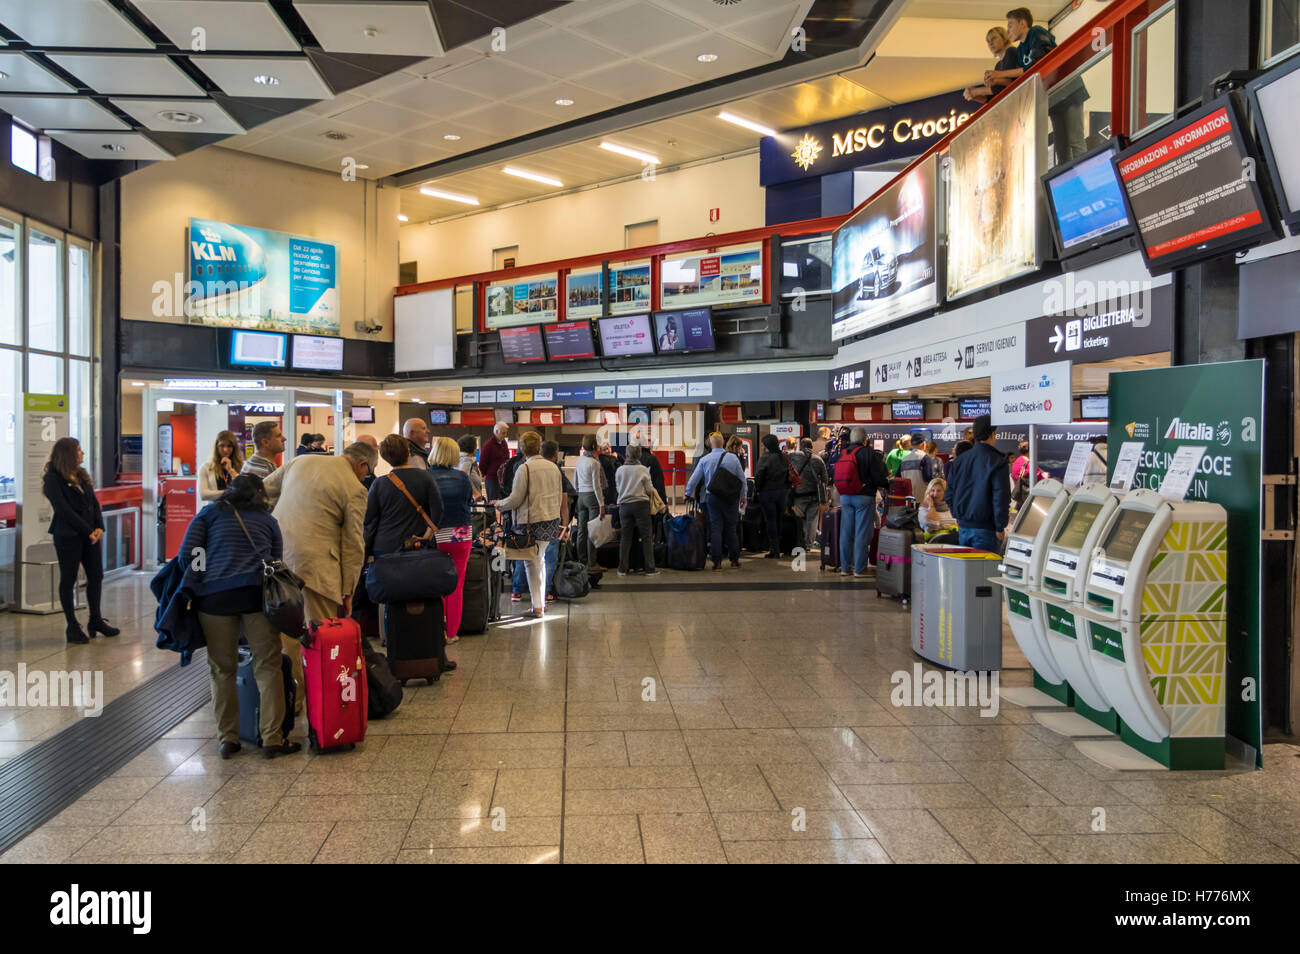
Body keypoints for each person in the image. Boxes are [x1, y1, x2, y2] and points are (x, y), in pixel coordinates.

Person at [179, 474, 299, 759]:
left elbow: (189, 553)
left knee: (222, 669)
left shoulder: (209, 515)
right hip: (256, 598)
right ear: (259, 494)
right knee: (267, 666)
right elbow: (275, 562)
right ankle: (272, 739)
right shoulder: (268, 521)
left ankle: (228, 739)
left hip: (214, 600)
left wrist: (203, 576)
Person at [263, 441, 375, 710]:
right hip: (317, 570)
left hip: (276, 560)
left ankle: (289, 704)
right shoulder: (355, 489)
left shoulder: (301, 461)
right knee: (321, 638)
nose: (366, 477)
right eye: (368, 472)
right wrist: (348, 591)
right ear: (362, 465)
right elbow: (353, 544)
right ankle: (321, 705)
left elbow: (262, 490)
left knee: (286, 638)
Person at [42, 437, 118, 644]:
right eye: (78, 450)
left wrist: (99, 527)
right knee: (68, 579)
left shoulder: (82, 475)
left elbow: (93, 503)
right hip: (68, 536)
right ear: (67, 453)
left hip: (89, 536)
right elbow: (64, 510)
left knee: (96, 576)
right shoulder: (52, 479)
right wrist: (88, 531)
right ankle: (72, 626)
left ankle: (95, 620)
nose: (82, 453)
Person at [493, 431, 566, 619]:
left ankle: (538, 607)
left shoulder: (524, 469)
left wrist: (499, 504)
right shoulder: (553, 467)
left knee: (531, 564)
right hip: (550, 521)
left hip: (530, 524)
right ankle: (539, 603)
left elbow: (515, 499)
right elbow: (559, 495)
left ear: (522, 448)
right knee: (539, 560)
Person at [945, 414, 1010, 553]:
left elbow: (949, 494)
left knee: (966, 573)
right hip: (987, 530)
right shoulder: (997, 461)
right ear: (993, 434)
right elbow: (1000, 497)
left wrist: (958, 515)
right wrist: (1000, 526)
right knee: (985, 573)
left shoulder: (959, 461)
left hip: (963, 527)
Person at [685, 432, 746, 570]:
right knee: (731, 528)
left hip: (712, 497)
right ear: (723, 443)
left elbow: (694, 479)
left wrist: (688, 493)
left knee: (715, 528)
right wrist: (743, 496)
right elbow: (742, 480)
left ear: (711, 444)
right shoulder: (733, 458)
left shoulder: (705, 459)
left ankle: (717, 562)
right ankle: (734, 560)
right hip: (730, 497)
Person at [835, 426, 889, 578]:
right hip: (864, 497)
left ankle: (845, 568)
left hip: (845, 496)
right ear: (865, 439)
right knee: (862, 533)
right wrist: (886, 483)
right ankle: (859, 569)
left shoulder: (843, 452)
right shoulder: (870, 453)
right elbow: (879, 477)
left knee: (845, 533)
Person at [615, 444, 659, 577]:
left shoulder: (620, 470)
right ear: (639, 455)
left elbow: (618, 488)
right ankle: (650, 568)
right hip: (641, 505)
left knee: (625, 538)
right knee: (646, 536)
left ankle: (622, 569)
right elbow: (650, 489)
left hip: (624, 506)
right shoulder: (643, 470)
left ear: (627, 454)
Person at [541, 440, 577, 600]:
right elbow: (564, 502)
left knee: (528, 557)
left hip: (531, 519)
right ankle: (546, 591)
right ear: (556, 454)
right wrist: (565, 526)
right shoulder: (556, 471)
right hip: (551, 518)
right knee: (550, 556)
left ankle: (518, 590)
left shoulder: (527, 468)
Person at [753, 434, 792, 559]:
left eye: (763, 444)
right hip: (782, 493)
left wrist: (757, 490)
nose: (762, 446)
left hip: (768, 493)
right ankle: (778, 547)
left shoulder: (765, 458)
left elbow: (759, 476)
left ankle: (774, 549)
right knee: (778, 519)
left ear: (767, 445)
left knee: (770, 521)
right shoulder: (784, 457)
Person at [573, 433, 608, 572]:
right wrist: (602, 504)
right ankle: (592, 563)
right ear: (594, 446)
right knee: (592, 531)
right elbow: (597, 486)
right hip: (592, 497)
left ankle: (581, 561)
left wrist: (579, 494)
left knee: (581, 530)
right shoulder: (594, 462)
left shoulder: (580, 460)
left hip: (581, 496)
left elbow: (575, 481)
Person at [788, 437, 829, 551]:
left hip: (798, 495)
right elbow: (825, 479)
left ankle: (798, 541)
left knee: (798, 520)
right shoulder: (819, 460)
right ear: (811, 447)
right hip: (814, 496)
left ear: (801, 446)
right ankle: (808, 545)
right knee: (812, 521)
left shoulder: (793, 457)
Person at [963, 26, 1018, 104]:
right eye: (988, 41)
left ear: (1004, 38)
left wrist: (977, 91)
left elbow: (1011, 83)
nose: (990, 43)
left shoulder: (1011, 51)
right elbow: (992, 97)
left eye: (994, 38)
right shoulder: (998, 65)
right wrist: (972, 95)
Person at [199, 430, 244, 502]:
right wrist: (228, 493)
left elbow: (244, 490)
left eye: (229, 446)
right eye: (222, 446)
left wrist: (231, 470)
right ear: (216, 447)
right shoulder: (206, 467)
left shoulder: (242, 465)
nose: (225, 450)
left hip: (236, 510)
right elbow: (203, 495)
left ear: (234, 448)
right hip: (215, 510)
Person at [480, 422, 511, 500]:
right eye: (503, 433)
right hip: (492, 479)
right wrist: (485, 474)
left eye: (506, 433)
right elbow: (482, 463)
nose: (505, 435)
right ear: (496, 432)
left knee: (504, 503)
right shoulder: (488, 445)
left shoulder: (504, 443)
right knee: (492, 504)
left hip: (504, 478)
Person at [1011, 440, 1046, 506]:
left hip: (1020, 497)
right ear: (1031, 449)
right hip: (1029, 498)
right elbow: (1041, 480)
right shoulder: (1030, 465)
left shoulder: (1017, 461)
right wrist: (1046, 477)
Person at [898, 435, 929, 502]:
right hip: (922, 498)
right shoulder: (925, 457)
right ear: (923, 444)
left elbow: (898, 478)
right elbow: (928, 478)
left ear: (911, 445)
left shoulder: (904, 460)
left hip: (907, 498)